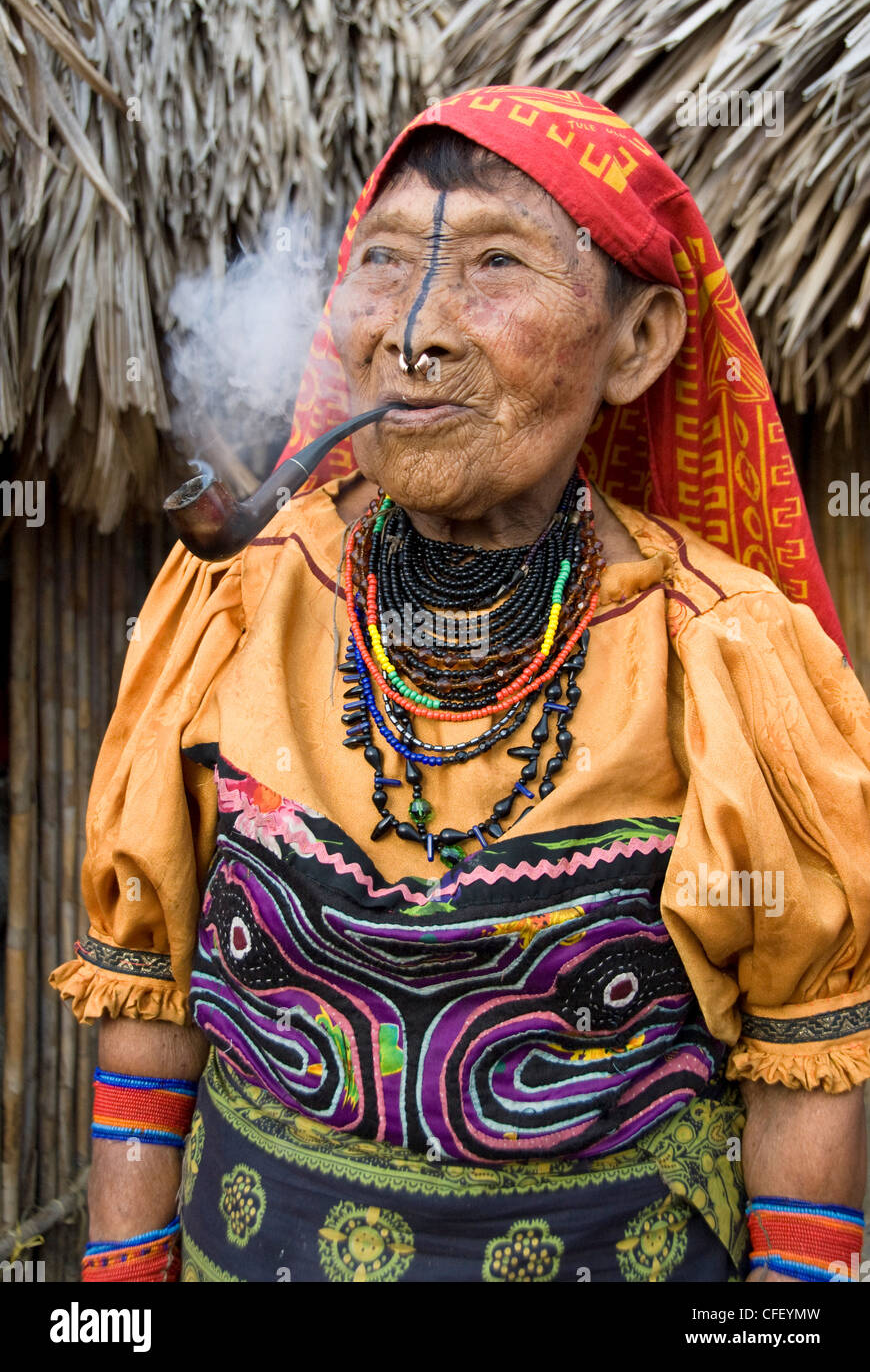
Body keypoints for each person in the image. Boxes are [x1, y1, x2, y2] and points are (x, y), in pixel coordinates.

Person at [51, 86, 869, 1284]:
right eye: (381, 261)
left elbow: (808, 1037)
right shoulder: (232, 602)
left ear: (637, 344)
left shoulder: (727, 655)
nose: (413, 328)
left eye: (495, 261)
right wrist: (117, 1292)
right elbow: (149, 968)